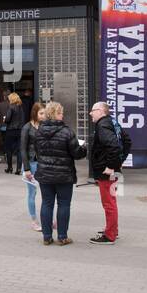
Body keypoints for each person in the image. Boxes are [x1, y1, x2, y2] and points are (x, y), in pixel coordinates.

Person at [32, 101, 86, 247]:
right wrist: (83, 148)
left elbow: (38, 152)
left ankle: (47, 237)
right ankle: (62, 236)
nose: (63, 115)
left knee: (47, 203)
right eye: (60, 112)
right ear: (55, 114)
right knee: (64, 204)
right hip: (64, 175)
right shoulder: (67, 132)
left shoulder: (39, 132)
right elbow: (77, 153)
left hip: (45, 174)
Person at [87, 101, 123, 244]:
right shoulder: (113, 123)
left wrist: (111, 166)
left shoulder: (102, 126)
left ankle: (109, 235)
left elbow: (114, 146)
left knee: (108, 202)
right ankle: (113, 229)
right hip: (112, 170)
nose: (90, 113)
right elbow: (126, 141)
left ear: (101, 111)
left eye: (93, 110)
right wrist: (118, 163)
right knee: (112, 201)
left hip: (106, 172)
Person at [20, 102, 43, 231]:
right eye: (41, 113)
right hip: (32, 163)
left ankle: (48, 219)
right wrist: (27, 168)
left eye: (44, 113)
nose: (43, 116)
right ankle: (34, 220)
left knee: (47, 193)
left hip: (43, 163)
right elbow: (23, 149)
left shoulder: (45, 126)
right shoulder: (27, 127)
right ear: (35, 113)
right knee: (32, 193)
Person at [2, 92, 24, 174]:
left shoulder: (11, 107)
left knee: (9, 150)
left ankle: (10, 167)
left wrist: (4, 119)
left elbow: (7, 119)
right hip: (20, 130)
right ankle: (18, 169)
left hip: (11, 130)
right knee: (19, 150)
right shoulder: (21, 107)